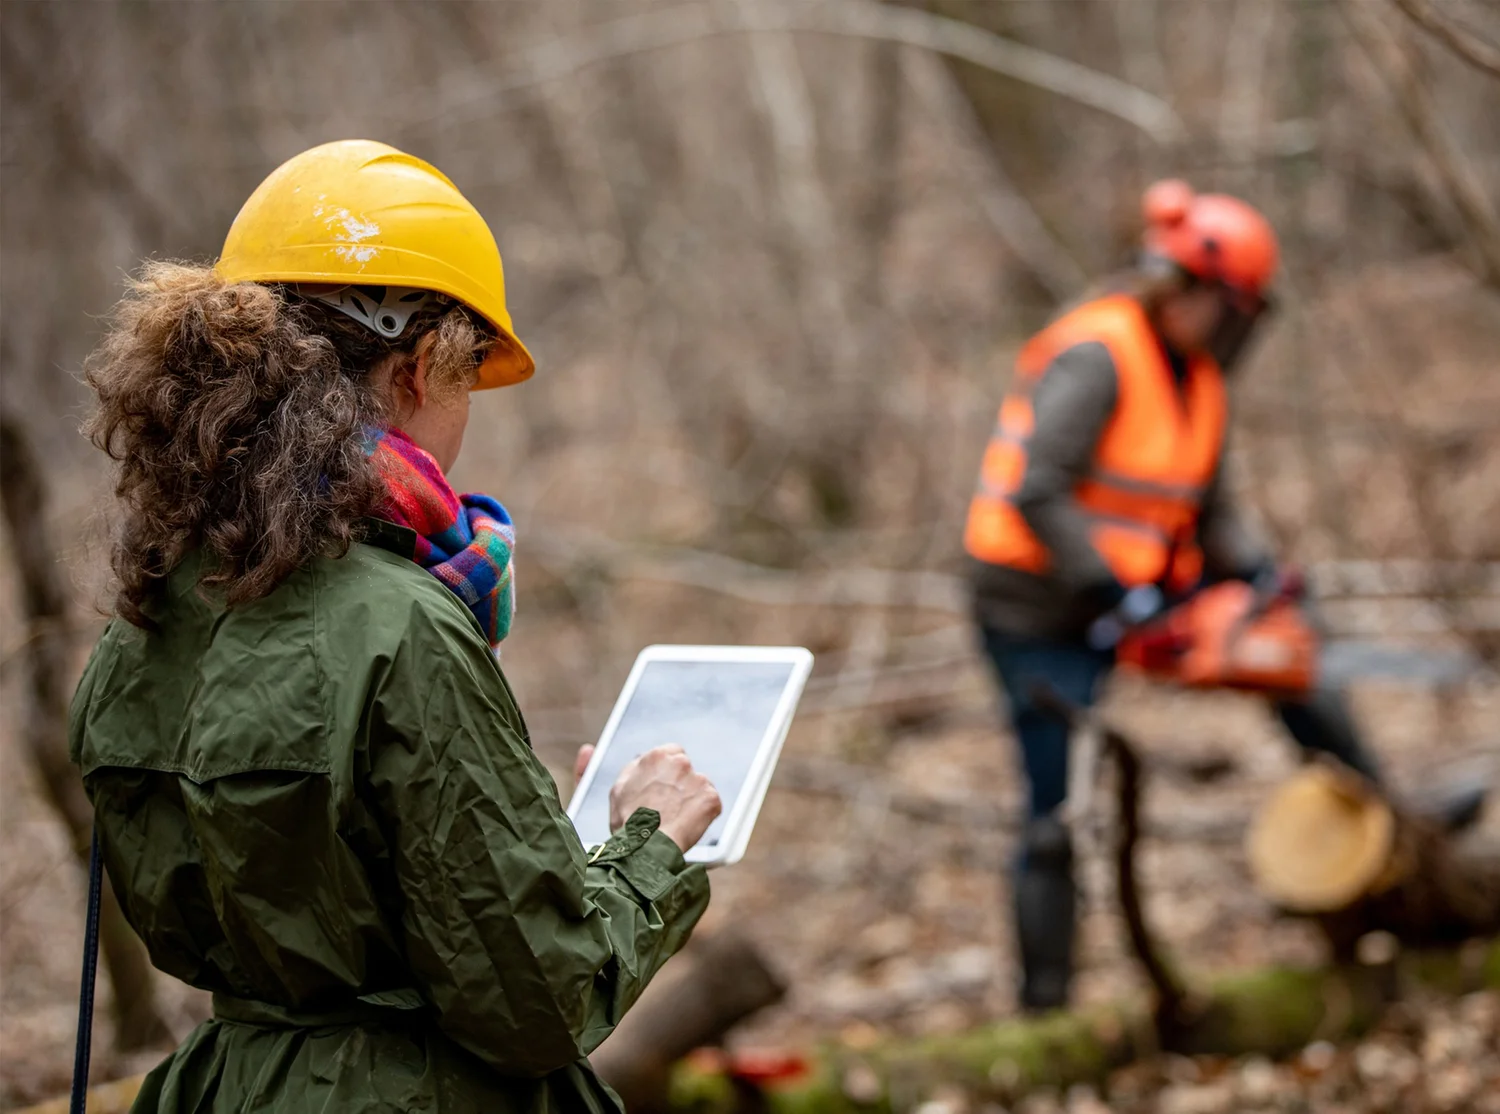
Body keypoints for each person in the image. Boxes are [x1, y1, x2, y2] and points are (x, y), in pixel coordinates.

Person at [69, 139, 722, 1113]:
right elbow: (540, 995)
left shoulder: (145, 616)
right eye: (470, 381)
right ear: (421, 370)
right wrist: (651, 842)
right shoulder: (403, 626)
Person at [963, 179, 1384, 1013]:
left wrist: (1262, 581)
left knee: (1294, 666)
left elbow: (1213, 511)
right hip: (1037, 609)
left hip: (1134, 590)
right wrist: (1116, 594)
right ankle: (1043, 1013)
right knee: (1061, 807)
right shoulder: (1097, 355)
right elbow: (1039, 491)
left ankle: (1386, 819)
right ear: (1192, 294)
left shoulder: (1199, 382)